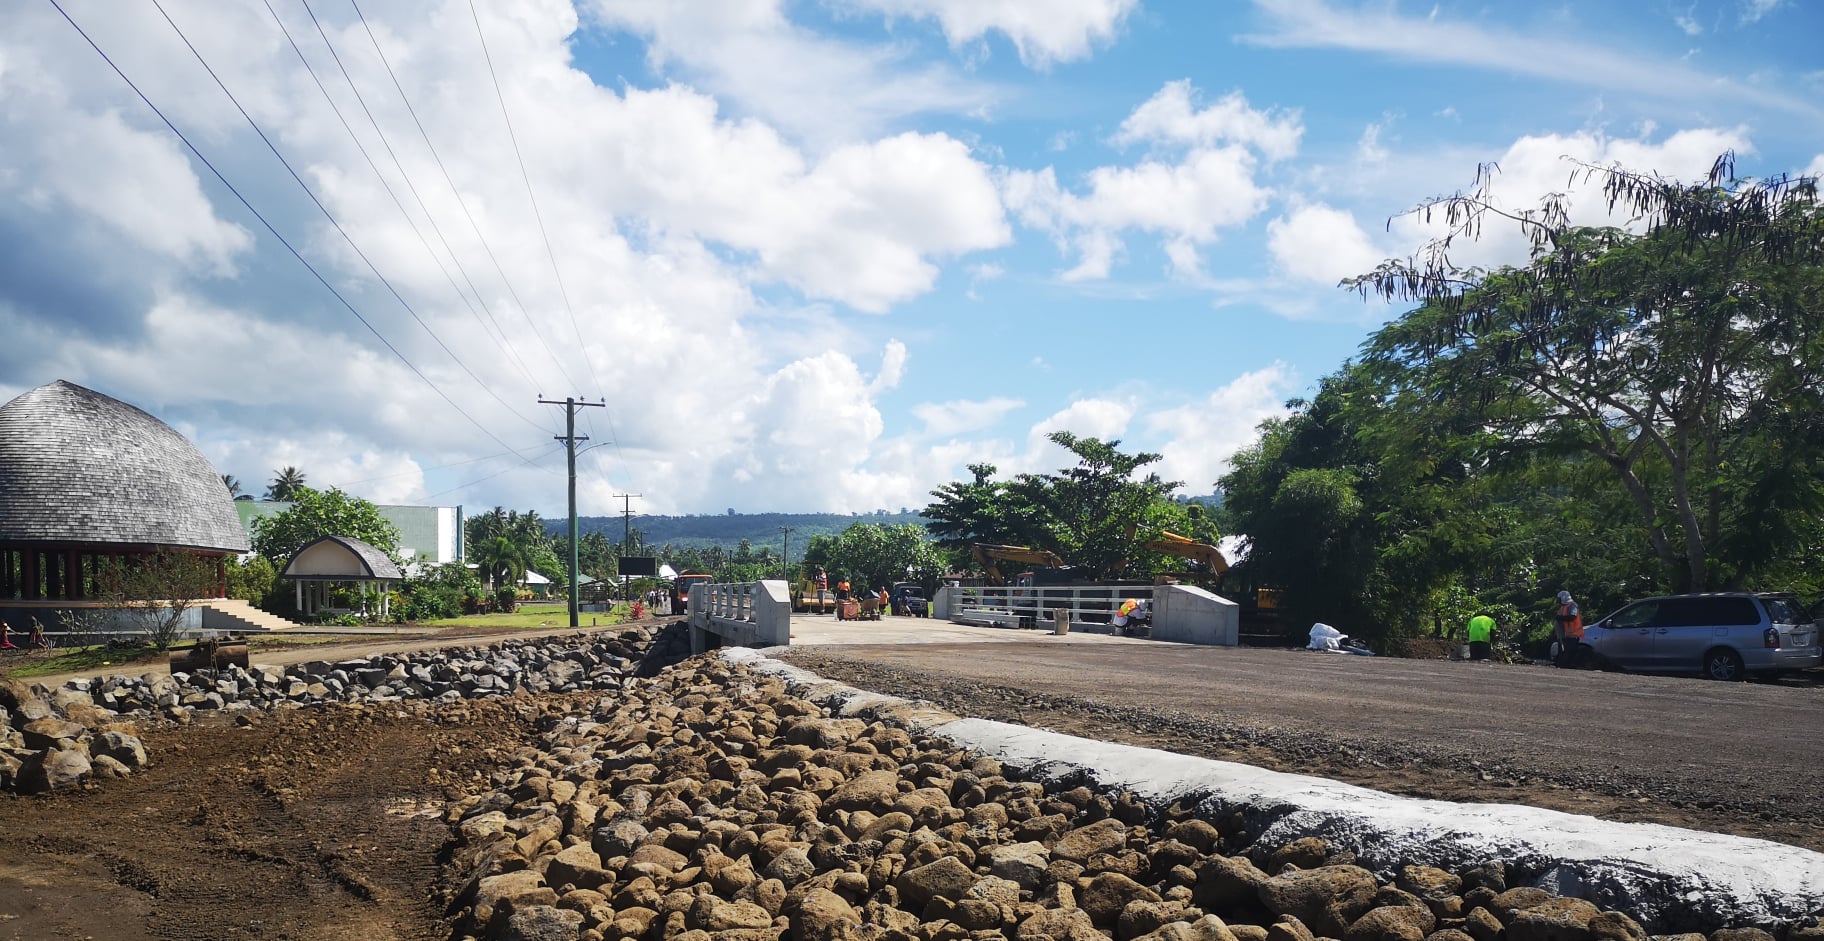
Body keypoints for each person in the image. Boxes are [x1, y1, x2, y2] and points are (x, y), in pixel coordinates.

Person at [1552, 590, 1583, 662]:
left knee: (1570, 653)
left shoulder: (1572, 605)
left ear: (1563, 598)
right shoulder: (1563, 607)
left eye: (1559, 599)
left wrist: (1560, 618)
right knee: (1564, 653)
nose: (1558, 600)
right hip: (1566, 635)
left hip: (1574, 634)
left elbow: (1572, 616)